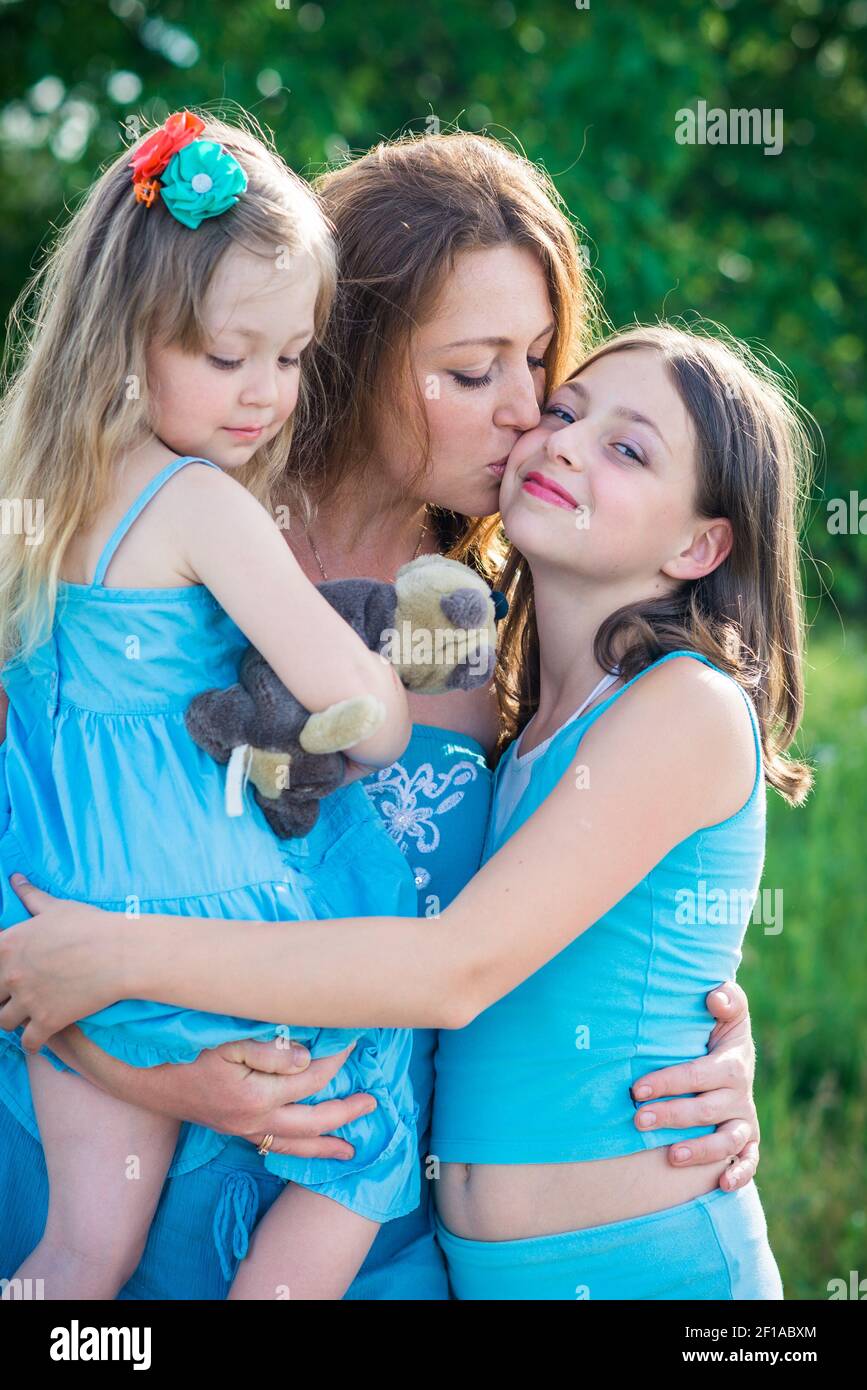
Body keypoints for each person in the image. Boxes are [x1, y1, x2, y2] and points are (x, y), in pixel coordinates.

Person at [0, 132, 761, 1301]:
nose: (528, 417)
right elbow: (48, 852)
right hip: (112, 1176)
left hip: (362, 1226)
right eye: (473, 373)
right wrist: (150, 1070)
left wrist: (703, 1032)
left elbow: (522, 932)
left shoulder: (514, 616)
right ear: (342, 349)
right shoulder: (132, 550)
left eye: (544, 369)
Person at [0, 108, 441, 1301]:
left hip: (46, 906)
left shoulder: (26, 488)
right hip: (200, 921)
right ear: (124, 336)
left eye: (292, 356)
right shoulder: (198, 501)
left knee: (80, 1259)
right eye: (224, 354)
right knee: (371, 1103)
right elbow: (372, 716)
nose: (264, 393)